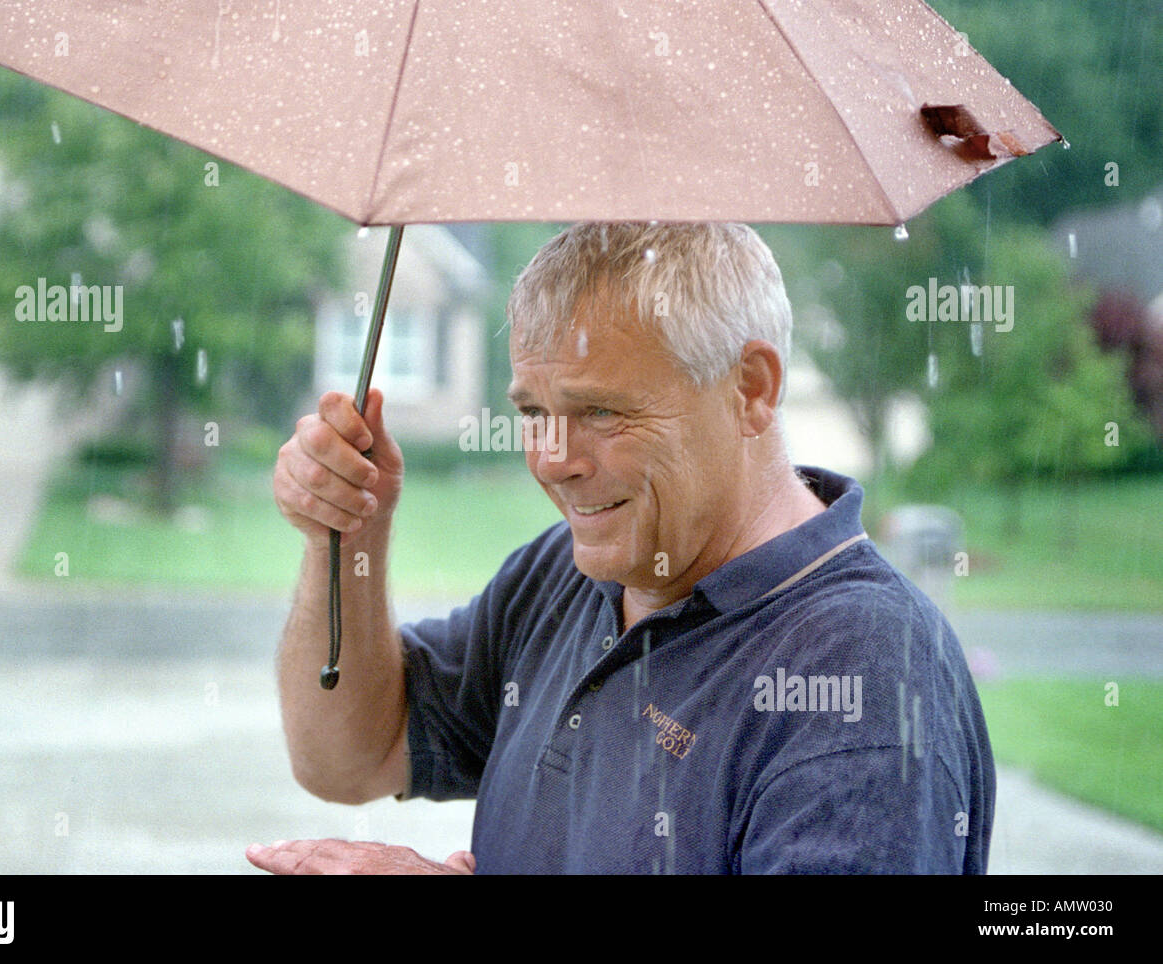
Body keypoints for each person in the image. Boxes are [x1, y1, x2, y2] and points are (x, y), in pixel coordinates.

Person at [247, 221, 994, 875]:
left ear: (752, 387)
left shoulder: (864, 665)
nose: (551, 457)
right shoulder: (561, 577)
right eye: (534, 412)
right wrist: (347, 535)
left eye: (600, 410)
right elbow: (350, 756)